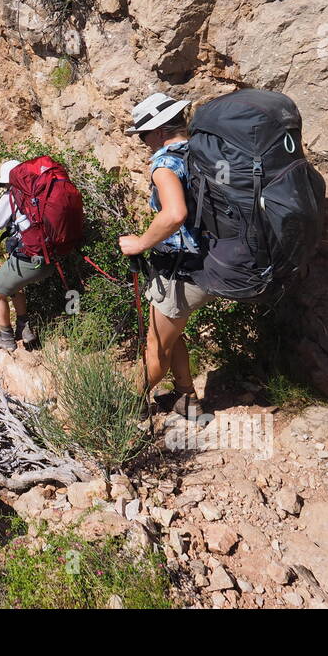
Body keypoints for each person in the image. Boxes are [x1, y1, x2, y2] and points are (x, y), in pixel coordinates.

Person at [117, 91, 211, 415]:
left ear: (158, 132)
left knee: (156, 347)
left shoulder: (165, 163)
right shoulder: (199, 150)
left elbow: (174, 214)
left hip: (183, 270)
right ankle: (187, 400)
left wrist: (140, 242)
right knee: (170, 335)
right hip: (210, 261)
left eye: (143, 134)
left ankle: (125, 408)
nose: (143, 141)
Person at [0, 159, 52, 350]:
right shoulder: (39, 191)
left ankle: (6, 337)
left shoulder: (12, 195)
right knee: (15, 285)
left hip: (30, 258)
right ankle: (24, 329)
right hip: (50, 256)